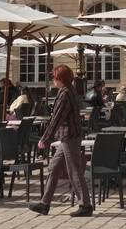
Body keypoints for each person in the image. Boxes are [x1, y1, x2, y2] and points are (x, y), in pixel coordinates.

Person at [29, 65, 93, 217]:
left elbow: (57, 119)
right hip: (67, 137)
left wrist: (45, 138)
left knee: (74, 171)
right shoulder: (68, 91)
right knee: (54, 167)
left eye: (54, 77)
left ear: (60, 79)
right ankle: (45, 204)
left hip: (69, 137)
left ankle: (85, 205)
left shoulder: (65, 94)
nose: (53, 80)